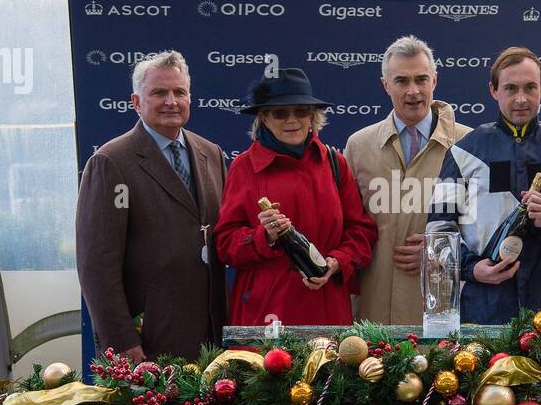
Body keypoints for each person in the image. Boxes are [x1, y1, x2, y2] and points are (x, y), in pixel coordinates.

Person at [426, 46, 541, 323]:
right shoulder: (463, 153)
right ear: (494, 90)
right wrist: (472, 269)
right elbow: (437, 231)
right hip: (482, 308)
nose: (521, 98)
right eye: (510, 88)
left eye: (530, 87)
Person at [75, 50, 227, 363]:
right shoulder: (111, 162)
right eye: (159, 92)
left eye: (179, 92)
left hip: (211, 341)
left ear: (190, 98)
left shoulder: (211, 154)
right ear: (136, 102)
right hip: (149, 344)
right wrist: (122, 343)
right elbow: (96, 266)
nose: (171, 101)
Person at [214, 67, 378, 326]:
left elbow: (361, 232)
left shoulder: (335, 163)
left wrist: (335, 263)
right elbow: (224, 244)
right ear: (265, 118)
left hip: (327, 307)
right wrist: (263, 236)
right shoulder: (244, 167)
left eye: (301, 111)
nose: (292, 119)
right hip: (267, 311)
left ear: (312, 117)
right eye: (280, 112)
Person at [343, 35, 472, 325]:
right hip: (374, 314)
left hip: (441, 314)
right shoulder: (358, 146)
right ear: (385, 85)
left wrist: (441, 252)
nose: (413, 91)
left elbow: (485, 231)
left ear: (434, 81)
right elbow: (348, 228)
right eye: (401, 81)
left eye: (421, 79)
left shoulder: (468, 145)